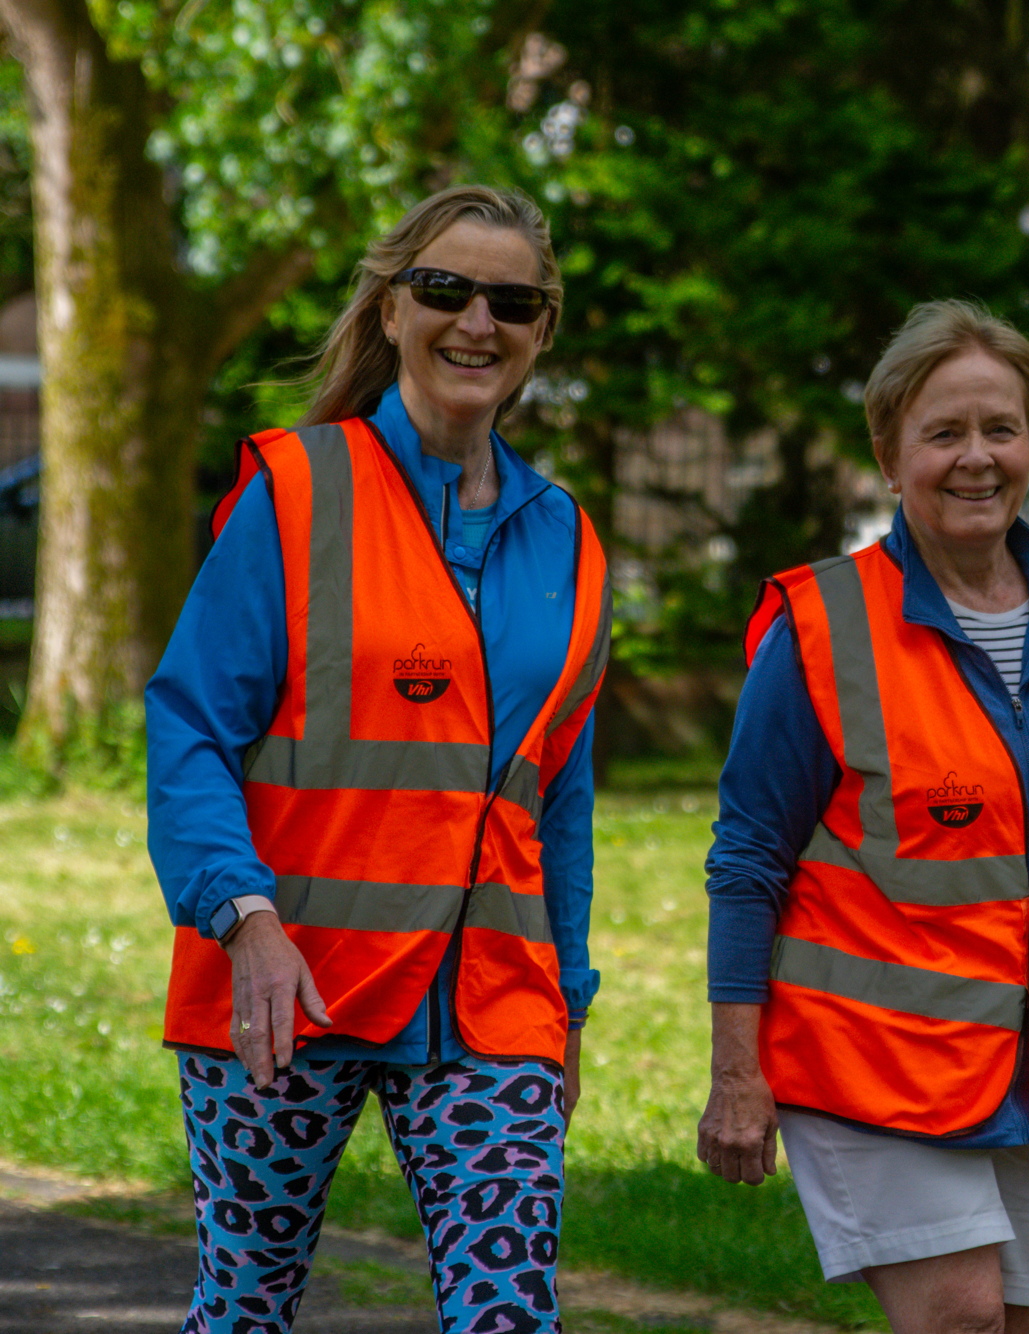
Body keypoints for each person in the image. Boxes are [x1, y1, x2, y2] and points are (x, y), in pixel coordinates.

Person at [698, 300, 1029, 1334]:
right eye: (942, 433)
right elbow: (747, 859)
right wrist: (734, 1072)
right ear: (889, 456)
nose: (976, 457)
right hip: (868, 1062)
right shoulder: (823, 625)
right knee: (958, 1318)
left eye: (1000, 428)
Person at [149, 185, 610, 1334]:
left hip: (488, 1005)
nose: (477, 322)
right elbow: (191, 726)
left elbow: (559, 798)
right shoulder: (296, 492)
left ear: (542, 328)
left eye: (512, 300)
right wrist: (242, 916)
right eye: (446, 289)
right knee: (246, 1307)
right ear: (393, 307)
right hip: (285, 988)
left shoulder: (567, 537)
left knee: (508, 1314)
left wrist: (570, 998)